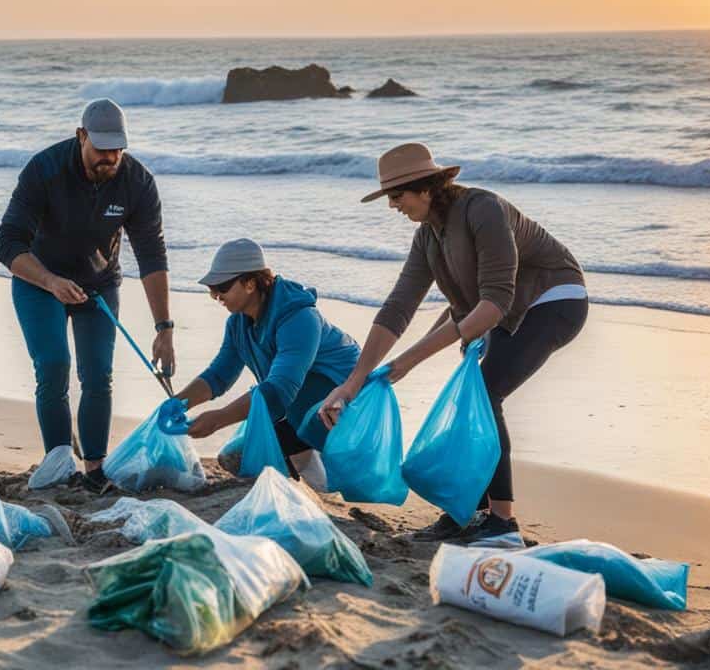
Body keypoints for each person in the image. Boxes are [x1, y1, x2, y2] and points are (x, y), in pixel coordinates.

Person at [317, 142, 587, 547]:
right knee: (473, 397)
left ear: (425, 187)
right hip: (507, 308)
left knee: (484, 393)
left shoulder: (484, 210)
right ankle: (468, 514)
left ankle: (501, 522)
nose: (393, 205)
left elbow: (494, 303)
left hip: (554, 299)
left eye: (396, 195)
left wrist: (408, 361)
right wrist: (353, 382)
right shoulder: (428, 235)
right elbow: (398, 308)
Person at [0, 99, 174, 494]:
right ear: (81, 136)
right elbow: (7, 244)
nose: (109, 158)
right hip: (38, 280)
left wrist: (164, 327)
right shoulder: (45, 169)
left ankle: (94, 468)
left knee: (98, 374)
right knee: (54, 365)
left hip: (99, 285)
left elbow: (151, 254)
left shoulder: (137, 182)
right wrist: (50, 281)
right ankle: (59, 461)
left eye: (117, 149)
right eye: (101, 149)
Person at [178, 239, 361, 487]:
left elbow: (279, 389)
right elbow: (219, 376)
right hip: (296, 407)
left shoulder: (300, 318)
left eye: (221, 287)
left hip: (343, 409)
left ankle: (323, 470)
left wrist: (219, 418)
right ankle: (312, 476)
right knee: (235, 459)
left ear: (250, 283)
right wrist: (179, 403)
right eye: (211, 288)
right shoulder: (238, 324)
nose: (215, 296)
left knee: (263, 456)